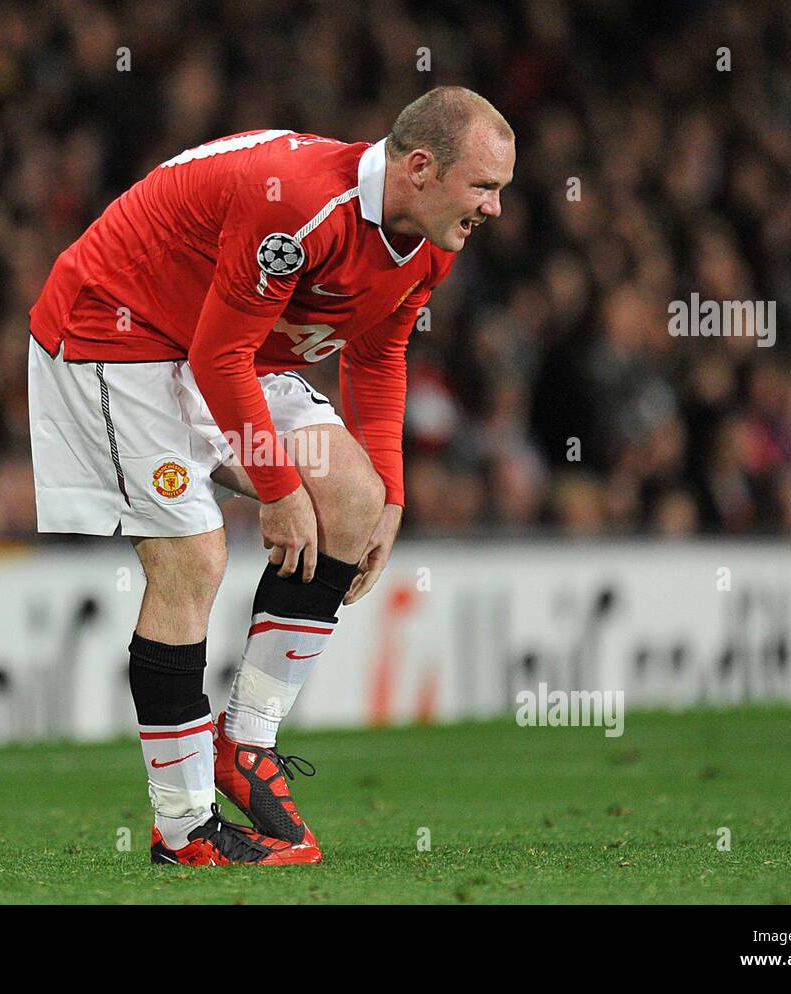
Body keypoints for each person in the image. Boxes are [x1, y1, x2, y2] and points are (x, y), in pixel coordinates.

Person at [28, 85, 514, 865]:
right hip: (116, 333)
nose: (493, 208)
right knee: (194, 560)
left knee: (351, 504)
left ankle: (246, 745)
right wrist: (282, 493)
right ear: (421, 167)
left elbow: (378, 355)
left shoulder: (428, 242)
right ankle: (185, 830)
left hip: (225, 348)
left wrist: (391, 492)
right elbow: (219, 357)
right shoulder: (301, 210)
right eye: (484, 187)